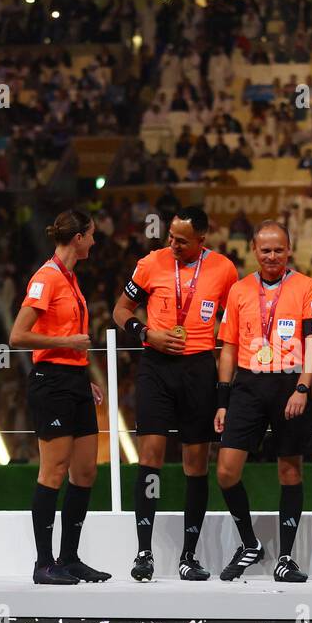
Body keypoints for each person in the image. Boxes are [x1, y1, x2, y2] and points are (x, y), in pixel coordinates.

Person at [113, 206, 239, 581]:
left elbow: (235, 318)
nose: (173, 244)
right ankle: (144, 553)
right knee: (149, 457)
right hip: (155, 367)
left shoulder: (224, 269)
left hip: (199, 370)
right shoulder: (150, 263)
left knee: (195, 465)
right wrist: (145, 333)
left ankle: (188, 555)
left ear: (202, 239)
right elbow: (120, 310)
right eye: (170, 236)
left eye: (182, 241)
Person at [214, 221, 312, 583]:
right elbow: (228, 347)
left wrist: (303, 387)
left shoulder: (306, 286)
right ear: (254, 250)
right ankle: (250, 543)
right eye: (265, 250)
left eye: (279, 250)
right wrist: (223, 400)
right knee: (226, 471)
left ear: (289, 250)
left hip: (289, 382)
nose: (272, 256)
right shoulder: (239, 289)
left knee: (289, 470)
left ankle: (286, 558)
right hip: (248, 384)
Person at [9, 209, 110, 585]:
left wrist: (83, 377)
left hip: (74, 380)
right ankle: (43, 564)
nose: (95, 241)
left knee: (85, 472)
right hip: (50, 383)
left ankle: (70, 558)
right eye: (92, 235)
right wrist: (66, 343)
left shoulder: (70, 277)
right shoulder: (46, 277)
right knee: (53, 471)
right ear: (78, 238)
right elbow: (17, 336)